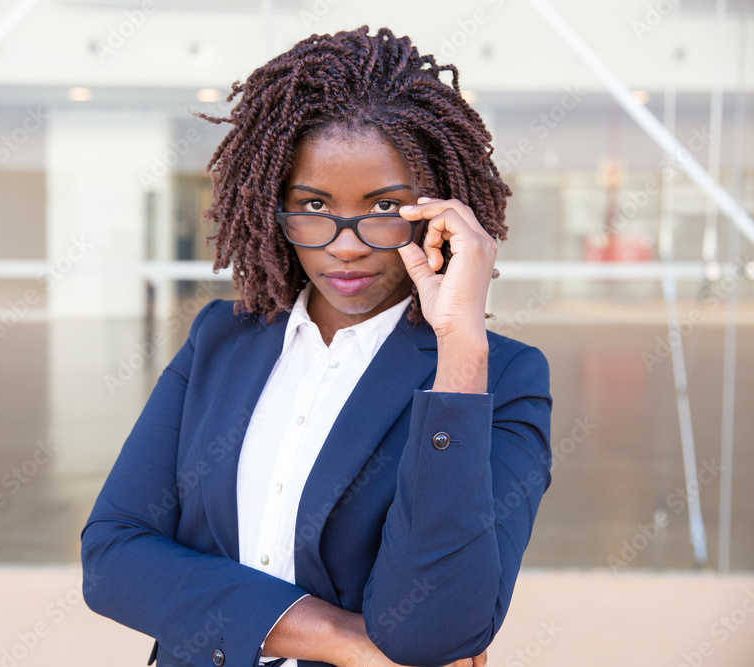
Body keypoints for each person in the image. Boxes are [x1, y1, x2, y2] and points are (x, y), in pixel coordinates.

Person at [80, 25, 552, 667]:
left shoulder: (505, 379)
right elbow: (113, 556)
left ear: (441, 208)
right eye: (312, 205)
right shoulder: (222, 338)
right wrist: (341, 641)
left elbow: (436, 631)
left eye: (386, 206)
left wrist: (461, 353)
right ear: (270, 200)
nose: (346, 243)